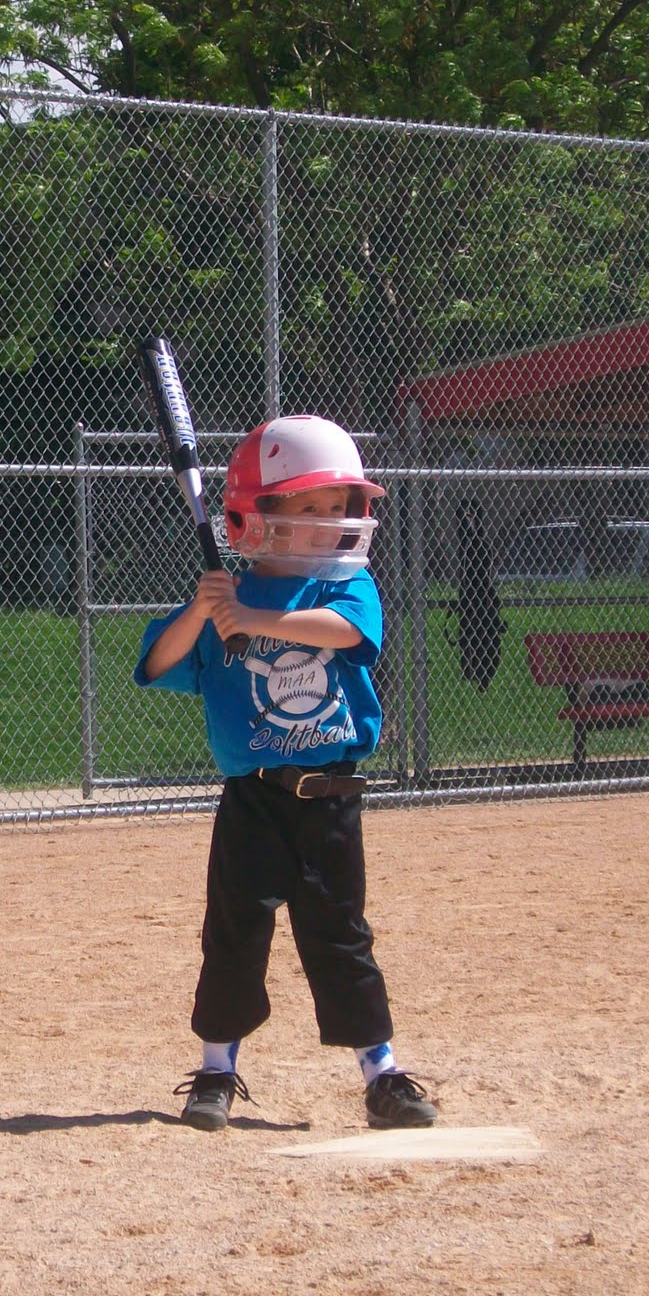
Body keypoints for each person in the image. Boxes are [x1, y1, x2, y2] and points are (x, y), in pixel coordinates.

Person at [134, 414, 438, 1133]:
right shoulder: (225, 603)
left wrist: (254, 617)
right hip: (255, 802)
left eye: (339, 507)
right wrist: (206, 609)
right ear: (257, 519)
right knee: (235, 935)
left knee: (341, 937)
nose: (333, 523)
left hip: (331, 801)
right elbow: (156, 664)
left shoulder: (347, 590)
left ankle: (382, 1074)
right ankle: (215, 1072)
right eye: (310, 510)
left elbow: (351, 635)